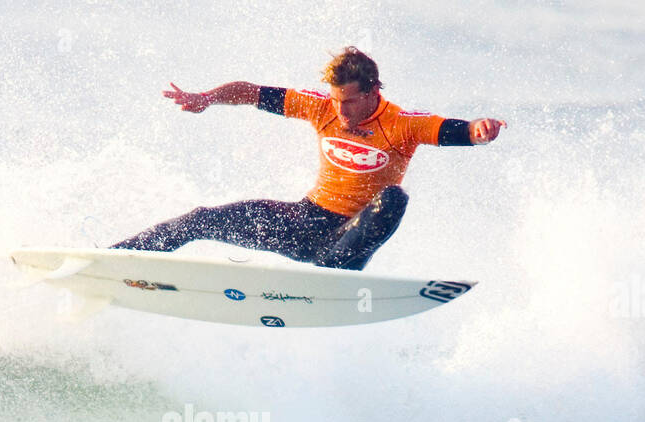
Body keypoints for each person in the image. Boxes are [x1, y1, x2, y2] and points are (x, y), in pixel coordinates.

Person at [111, 47, 505, 270]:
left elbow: (459, 131)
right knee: (201, 218)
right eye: (336, 101)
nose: (342, 111)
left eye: (349, 102)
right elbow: (252, 93)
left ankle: (333, 275)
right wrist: (207, 99)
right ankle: (116, 260)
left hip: (349, 237)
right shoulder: (322, 108)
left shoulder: (401, 124)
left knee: (395, 199)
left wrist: (480, 130)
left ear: (372, 92)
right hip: (306, 221)